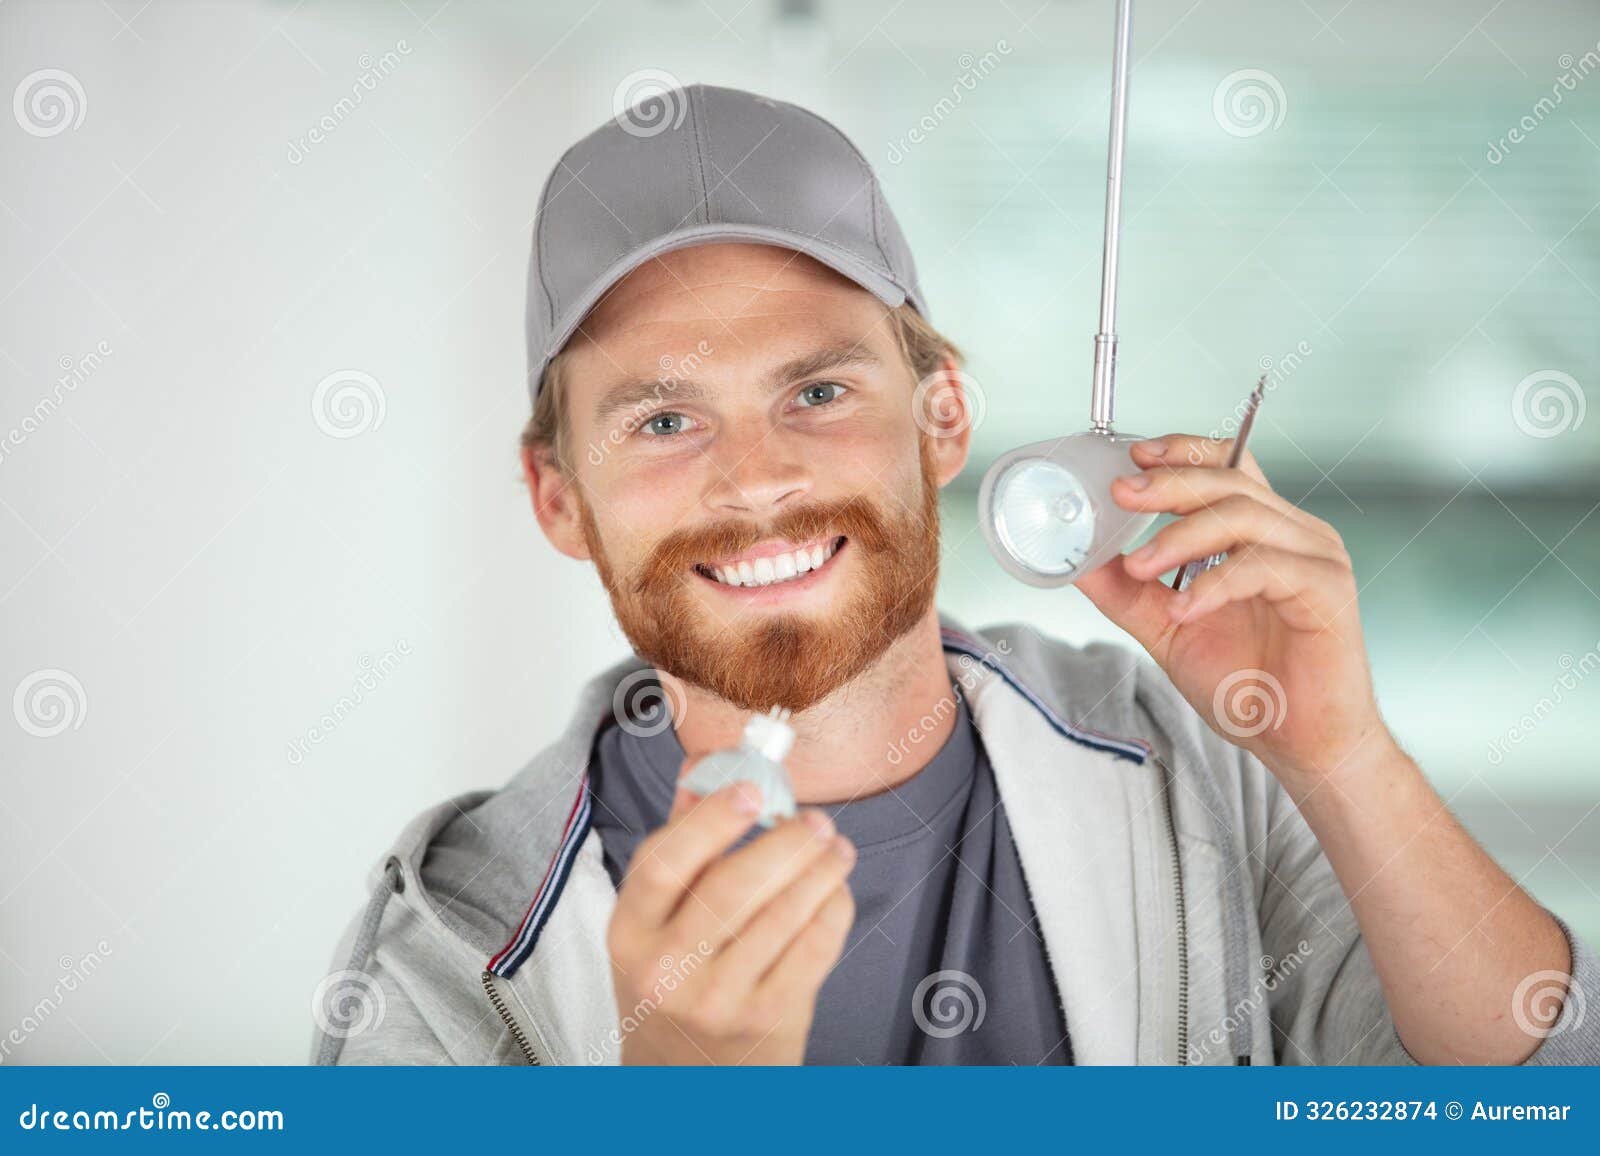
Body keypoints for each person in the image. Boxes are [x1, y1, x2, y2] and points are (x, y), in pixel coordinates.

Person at [313, 84, 1597, 1066]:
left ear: (942, 423)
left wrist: (1341, 753)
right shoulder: (445, 953)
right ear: (558, 499)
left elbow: (1541, 1092)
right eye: (662, 421)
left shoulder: (1195, 768)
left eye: (817, 390)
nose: (755, 480)